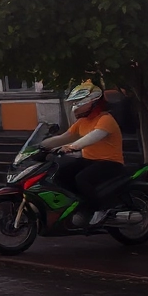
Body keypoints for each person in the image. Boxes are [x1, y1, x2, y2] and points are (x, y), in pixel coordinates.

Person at [40, 84, 126, 225]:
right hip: (90, 160)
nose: (75, 106)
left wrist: (71, 147)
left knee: (82, 178)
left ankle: (99, 209)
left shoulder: (105, 119)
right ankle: (80, 204)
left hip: (110, 162)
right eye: (74, 103)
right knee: (60, 174)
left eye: (78, 102)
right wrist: (41, 145)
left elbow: (92, 137)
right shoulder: (82, 122)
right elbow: (65, 136)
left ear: (92, 101)